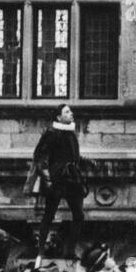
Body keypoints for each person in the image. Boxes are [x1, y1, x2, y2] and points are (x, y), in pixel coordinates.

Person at [27, 104, 89, 262]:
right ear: (58, 117)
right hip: (57, 180)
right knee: (49, 214)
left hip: (72, 179)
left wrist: (87, 161)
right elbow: (41, 157)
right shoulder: (52, 133)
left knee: (79, 215)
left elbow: (72, 157)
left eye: (70, 111)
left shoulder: (71, 134)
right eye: (67, 112)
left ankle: (70, 250)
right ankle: (40, 250)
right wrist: (47, 178)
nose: (71, 114)